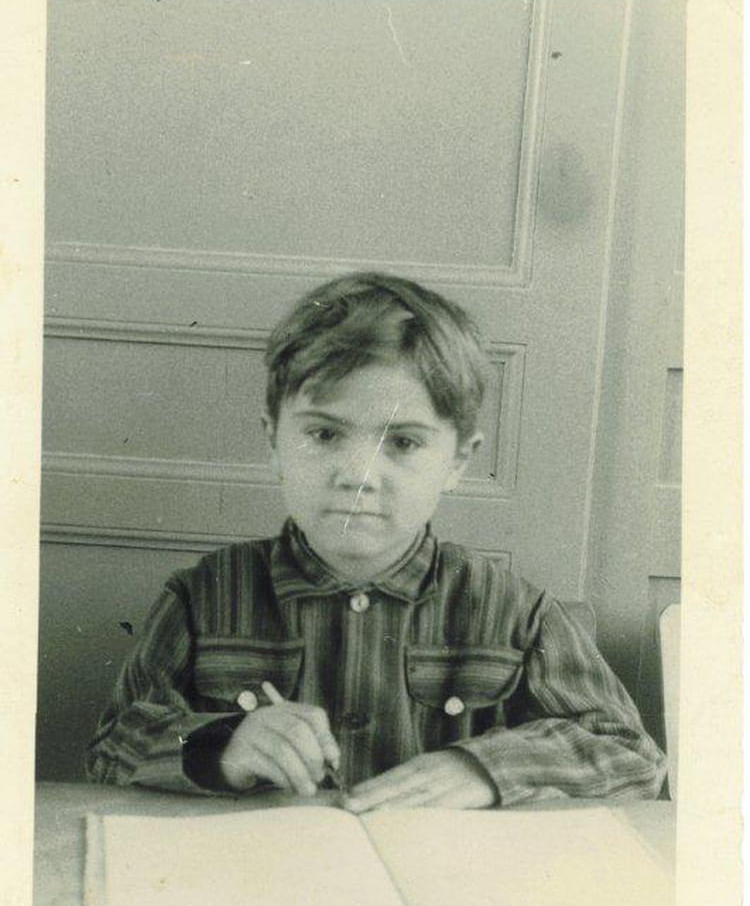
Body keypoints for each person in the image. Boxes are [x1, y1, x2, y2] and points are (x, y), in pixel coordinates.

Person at [86, 272, 667, 810]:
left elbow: (630, 755)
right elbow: (114, 747)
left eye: (404, 444)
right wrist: (223, 744)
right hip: (262, 886)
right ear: (274, 441)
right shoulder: (204, 597)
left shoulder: (515, 613)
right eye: (323, 433)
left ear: (459, 460)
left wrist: (483, 770)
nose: (359, 474)